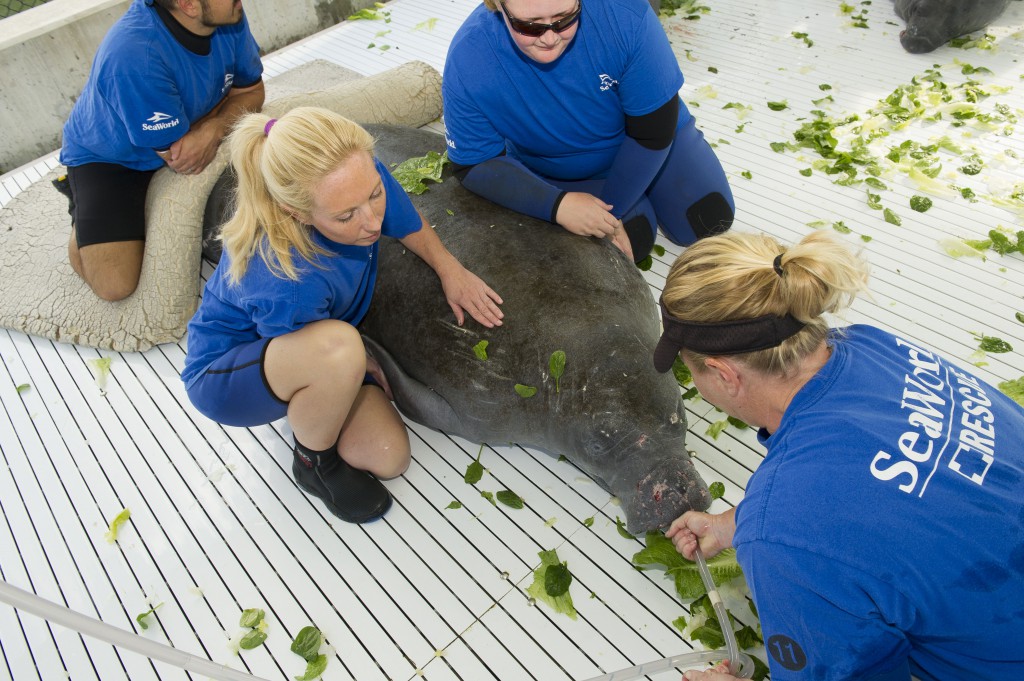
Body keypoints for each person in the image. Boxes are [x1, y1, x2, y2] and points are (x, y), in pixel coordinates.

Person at [651, 231, 1024, 680]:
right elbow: (886, 494)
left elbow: (821, 514)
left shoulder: (784, 534)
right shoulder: (872, 345)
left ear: (723, 374)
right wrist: (737, 524)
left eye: (689, 368)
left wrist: (771, 533)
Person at [181, 107, 504, 523]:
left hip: (318, 342)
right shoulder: (287, 279)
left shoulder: (356, 180)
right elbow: (307, 349)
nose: (371, 222)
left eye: (374, 195)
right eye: (346, 216)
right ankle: (312, 462)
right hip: (231, 375)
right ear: (296, 212)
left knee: (389, 458)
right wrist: (359, 363)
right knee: (339, 351)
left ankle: (338, 378)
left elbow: (406, 223)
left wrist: (450, 270)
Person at [441, 0, 734, 264]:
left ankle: (647, 188)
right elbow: (472, 164)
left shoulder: (625, 14)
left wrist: (611, 210)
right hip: (562, 167)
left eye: (565, 18)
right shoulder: (469, 57)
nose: (549, 36)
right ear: (497, 6)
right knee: (636, 242)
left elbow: (652, 134)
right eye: (528, 25)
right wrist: (556, 205)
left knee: (710, 219)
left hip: (655, 141)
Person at [58, 0, 265, 301]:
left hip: (190, 124)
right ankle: (82, 212)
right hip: (111, 158)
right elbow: (182, 156)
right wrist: (224, 112)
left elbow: (252, 91)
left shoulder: (225, 12)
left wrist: (214, 128)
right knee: (115, 286)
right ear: (188, 5)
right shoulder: (133, 56)